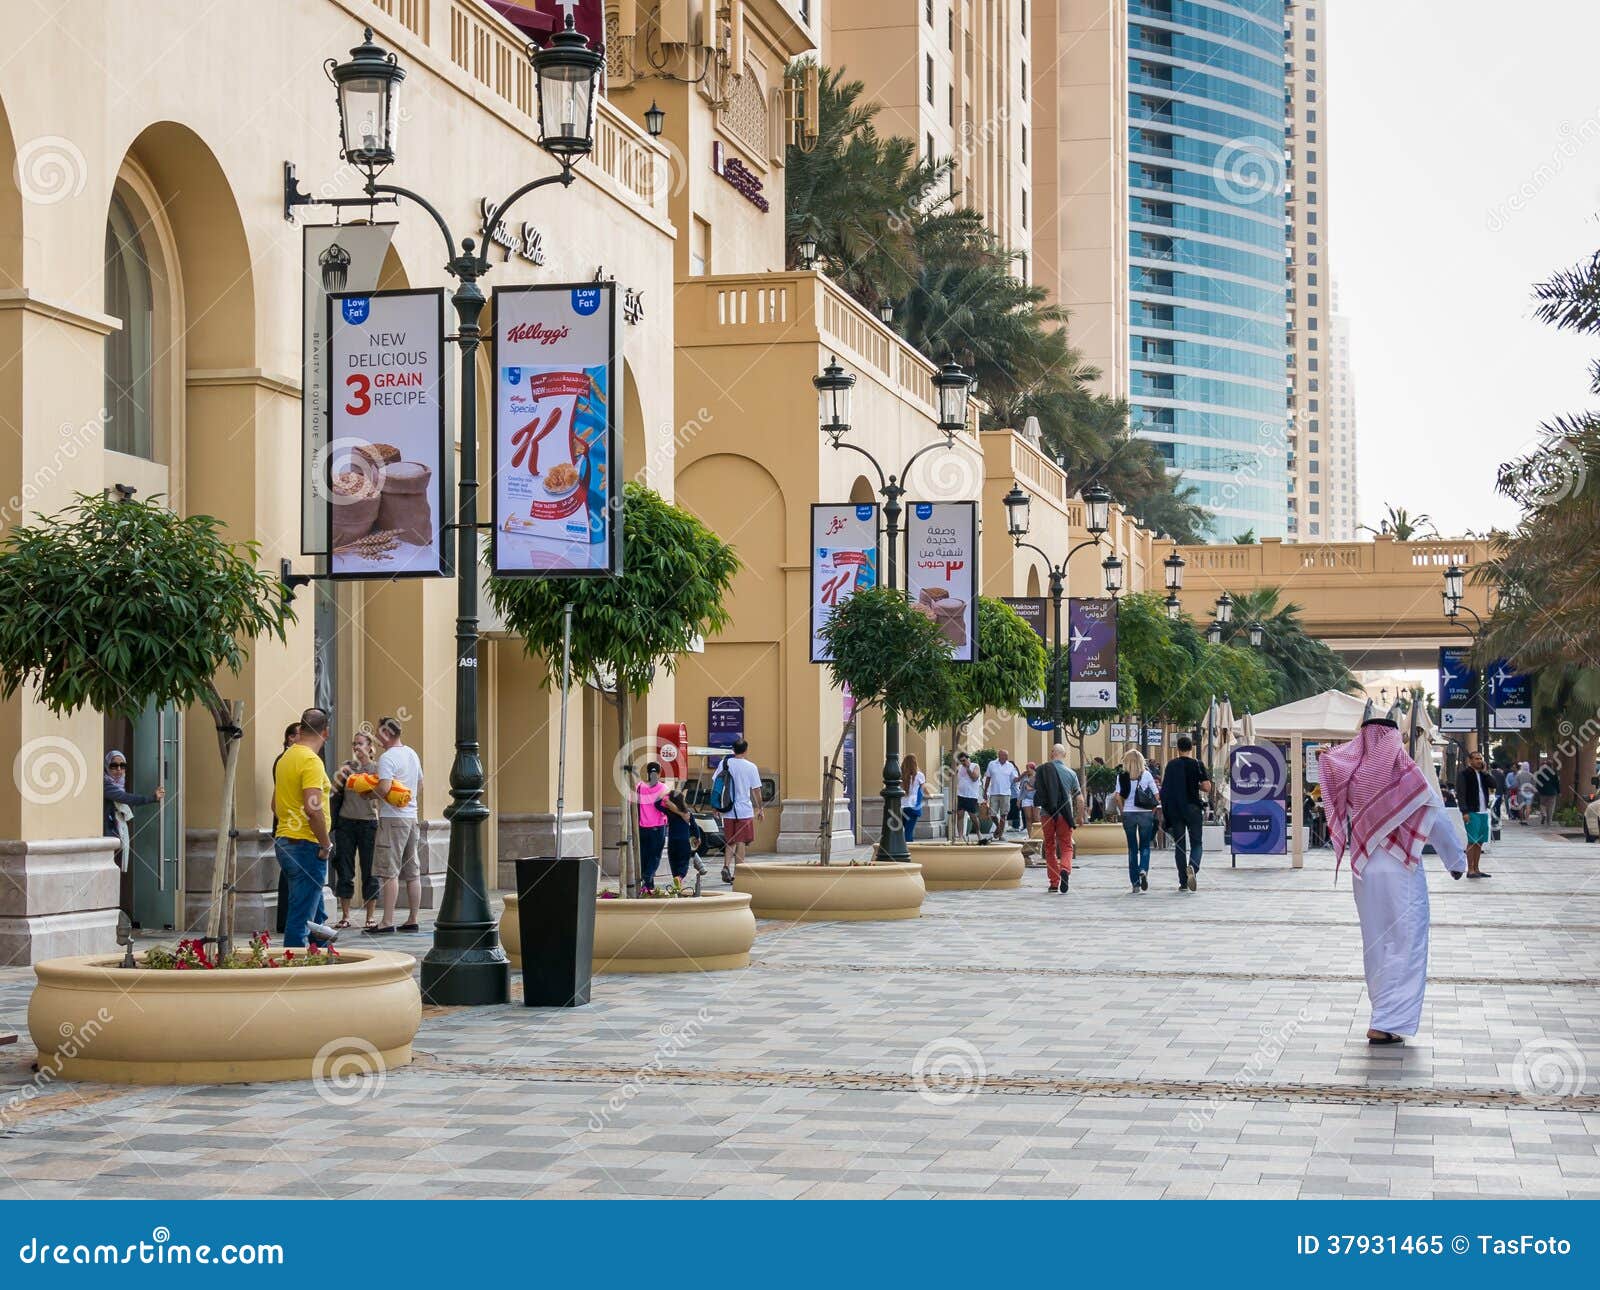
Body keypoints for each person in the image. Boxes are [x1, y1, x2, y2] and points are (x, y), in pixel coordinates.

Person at [1319, 715, 1465, 1045]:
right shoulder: (1405, 773)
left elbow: (1330, 780)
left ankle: (1381, 1015)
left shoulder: (1353, 773)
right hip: (1401, 869)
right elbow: (1436, 815)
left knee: (1376, 943)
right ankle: (1387, 1021)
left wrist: (1326, 755)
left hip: (1365, 870)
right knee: (1406, 941)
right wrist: (1455, 861)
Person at [272, 707, 338, 949]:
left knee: (314, 913)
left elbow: (274, 804)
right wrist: (325, 844)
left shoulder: (285, 758)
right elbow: (313, 808)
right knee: (301, 918)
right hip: (307, 845)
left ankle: (319, 955)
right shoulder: (311, 761)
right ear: (326, 732)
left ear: (300, 729)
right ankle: (296, 970)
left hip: (285, 840)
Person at [368, 715, 423, 935]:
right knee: (413, 872)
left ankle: (387, 921)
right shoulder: (412, 753)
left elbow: (383, 788)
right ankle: (412, 919)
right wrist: (409, 802)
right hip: (412, 817)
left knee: (389, 871)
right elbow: (419, 783)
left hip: (392, 818)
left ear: (388, 734)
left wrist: (367, 794)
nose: (377, 737)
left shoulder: (387, 758)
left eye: (379, 733)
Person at [103, 749, 165, 917]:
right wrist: (151, 798)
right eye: (114, 765)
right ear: (106, 766)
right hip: (107, 838)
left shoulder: (116, 784)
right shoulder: (106, 784)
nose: (118, 769)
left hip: (114, 837)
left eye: (122, 766)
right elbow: (125, 798)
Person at [331, 731, 382, 928]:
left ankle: (370, 917)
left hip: (368, 824)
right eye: (354, 744)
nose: (356, 747)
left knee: (370, 870)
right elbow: (333, 793)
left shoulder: (376, 769)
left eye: (360, 743)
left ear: (370, 747)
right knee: (345, 869)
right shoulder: (347, 768)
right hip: (346, 823)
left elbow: (384, 794)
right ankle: (345, 916)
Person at [1159, 734, 1211, 892]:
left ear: (1178, 749)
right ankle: (1193, 867)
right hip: (1193, 808)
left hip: (1176, 810)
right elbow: (1207, 787)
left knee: (1180, 846)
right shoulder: (1197, 764)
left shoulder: (1171, 765)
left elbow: (1165, 790)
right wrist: (1196, 786)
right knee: (1197, 843)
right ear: (1191, 748)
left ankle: (1182, 881)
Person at [1032, 743, 1080, 894]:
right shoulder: (1071, 773)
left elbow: (1036, 790)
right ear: (1064, 755)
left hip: (1046, 813)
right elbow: (1080, 799)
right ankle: (1065, 869)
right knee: (1066, 846)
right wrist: (1080, 816)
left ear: (1052, 753)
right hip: (1064, 814)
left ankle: (1054, 882)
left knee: (1049, 846)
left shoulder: (1042, 770)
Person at [714, 739, 764, 883]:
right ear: (746, 750)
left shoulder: (724, 764)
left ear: (733, 750)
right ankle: (738, 873)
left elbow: (716, 784)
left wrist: (716, 806)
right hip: (744, 810)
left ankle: (725, 866)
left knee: (730, 840)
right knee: (741, 841)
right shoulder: (751, 767)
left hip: (728, 809)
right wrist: (760, 808)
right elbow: (756, 790)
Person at [1115, 748, 1160, 893]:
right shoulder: (1146, 775)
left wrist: (1123, 811)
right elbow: (1157, 796)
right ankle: (1143, 870)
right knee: (1145, 846)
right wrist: (1151, 811)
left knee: (1132, 849)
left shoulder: (1121, 776)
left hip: (1128, 814)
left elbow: (1117, 797)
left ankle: (1135, 884)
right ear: (1141, 761)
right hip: (1145, 814)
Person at [271, 722, 300, 934]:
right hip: (289, 825)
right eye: (300, 734)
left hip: (290, 824)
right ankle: (286, 921)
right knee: (290, 874)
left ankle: (287, 921)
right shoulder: (285, 761)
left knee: (291, 873)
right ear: (290, 738)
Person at [1455, 749, 1494, 880]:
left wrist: (1485, 771)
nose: (1479, 761)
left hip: (1483, 811)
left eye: (1480, 758)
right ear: (1470, 761)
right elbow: (1460, 793)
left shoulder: (1483, 775)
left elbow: (1494, 784)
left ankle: (1477, 868)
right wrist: (1464, 811)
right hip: (1472, 812)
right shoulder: (1464, 774)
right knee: (1472, 841)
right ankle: (1470, 869)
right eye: (1476, 759)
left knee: (1480, 841)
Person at [661, 788, 707, 889]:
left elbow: (657, 804)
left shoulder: (670, 812)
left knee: (674, 862)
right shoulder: (688, 813)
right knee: (683, 864)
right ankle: (680, 878)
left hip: (672, 841)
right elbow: (694, 827)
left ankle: (677, 883)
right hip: (684, 842)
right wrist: (698, 838)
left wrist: (666, 797)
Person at [635, 761, 669, 892]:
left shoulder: (639, 786)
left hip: (642, 827)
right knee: (654, 856)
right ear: (659, 773)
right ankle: (647, 878)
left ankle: (649, 885)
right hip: (658, 827)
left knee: (644, 856)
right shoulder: (663, 788)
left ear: (648, 773)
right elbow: (667, 805)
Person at [983, 750, 1020, 837]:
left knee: (1004, 815)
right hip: (994, 792)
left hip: (1006, 793)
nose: (1006, 758)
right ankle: (999, 827)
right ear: (999, 756)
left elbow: (1015, 779)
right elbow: (988, 778)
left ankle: (1000, 834)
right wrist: (985, 791)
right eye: (1004, 756)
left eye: (1006, 756)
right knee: (992, 815)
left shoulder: (1010, 766)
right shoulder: (992, 764)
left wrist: (1022, 776)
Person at [954, 752, 982, 838]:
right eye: (961, 761)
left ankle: (978, 832)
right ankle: (960, 836)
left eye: (964, 760)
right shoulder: (959, 767)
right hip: (961, 794)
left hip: (971, 795)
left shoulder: (975, 766)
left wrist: (967, 768)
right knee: (960, 815)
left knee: (972, 816)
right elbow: (952, 775)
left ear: (968, 758)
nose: (962, 762)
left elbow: (974, 778)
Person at [900, 754, 926, 842]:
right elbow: (922, 790)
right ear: (915, 763)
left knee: (905, 829)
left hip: (902, 806)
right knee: (909, 831)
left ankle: (905, 848)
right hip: (913, 806)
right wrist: (930, 796)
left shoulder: (900, 775)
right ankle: (908, 850)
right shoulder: (920, 775)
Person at [1535, 758, 1560, 825]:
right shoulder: (1554, 772)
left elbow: (1538, 782)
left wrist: (1538, 790)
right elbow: (1557, 783)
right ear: (1551, 765)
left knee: (1542, 804)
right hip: (1552, 792)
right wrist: (1558, 791)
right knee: (1551, 807)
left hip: (1543, 792)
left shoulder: (1540, 772)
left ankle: (1544, 814)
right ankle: (1549, 821)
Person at [1020, 762, 1039, 830]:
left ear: (1032, 768)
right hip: (1026, 799)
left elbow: (1039, 787)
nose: (1027, 770)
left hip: (1036, 799)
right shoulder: (1025, 777)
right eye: (1026, 768)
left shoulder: (1038, 776)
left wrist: (1033, 788)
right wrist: (1019, 800)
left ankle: (1037, 835)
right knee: (1028, 818)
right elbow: (1023, 788)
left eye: (1028, 768)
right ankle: (1030, 836)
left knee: (1036, 818)